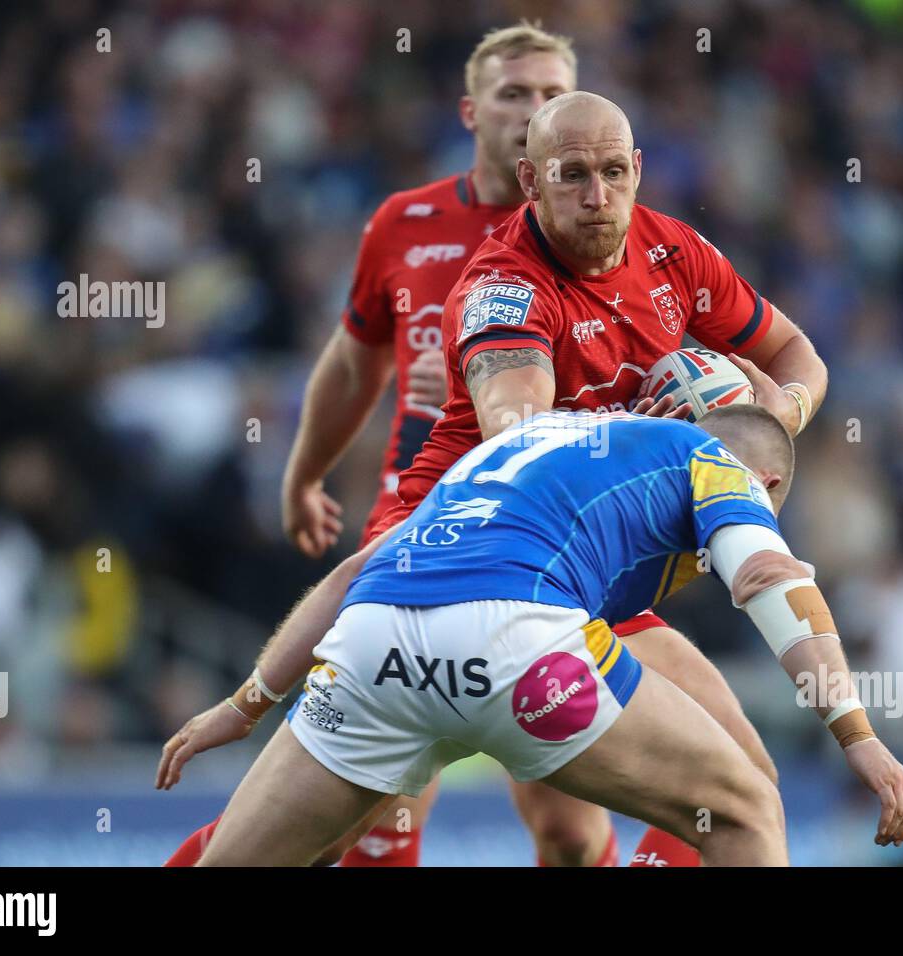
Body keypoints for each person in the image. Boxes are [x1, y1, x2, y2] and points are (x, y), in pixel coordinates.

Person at [361, 89, 831, 866]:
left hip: (578, 583)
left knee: (643, 816)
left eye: (613, 172)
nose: (597, 195)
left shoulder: (674, 253)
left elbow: (797, 358)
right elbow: (521, 434)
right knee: (354, 830)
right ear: (529, 180)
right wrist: (655, 445)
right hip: (446, 563)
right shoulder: (505, 288)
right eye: (572, 174)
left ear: (639, 170)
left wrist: (773, 422)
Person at [164, 21, 579, 867]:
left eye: (552, 96)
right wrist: (305, 471)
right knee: (365, 821)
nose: (535, 112)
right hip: (418, 539)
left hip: (551, 555)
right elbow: (355, 361)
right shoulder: (405, 223)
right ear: (471, 110)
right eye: (514, 94)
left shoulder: (600, 237)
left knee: (573, 831)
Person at [155, 407, 903, 866]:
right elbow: (771, 582)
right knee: (746, 806)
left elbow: (353, 569)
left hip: (369, 638)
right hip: (514, 643)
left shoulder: (529, 444)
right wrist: (857, 736)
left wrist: (246, 704)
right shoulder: (714, 461)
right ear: (772, 487)